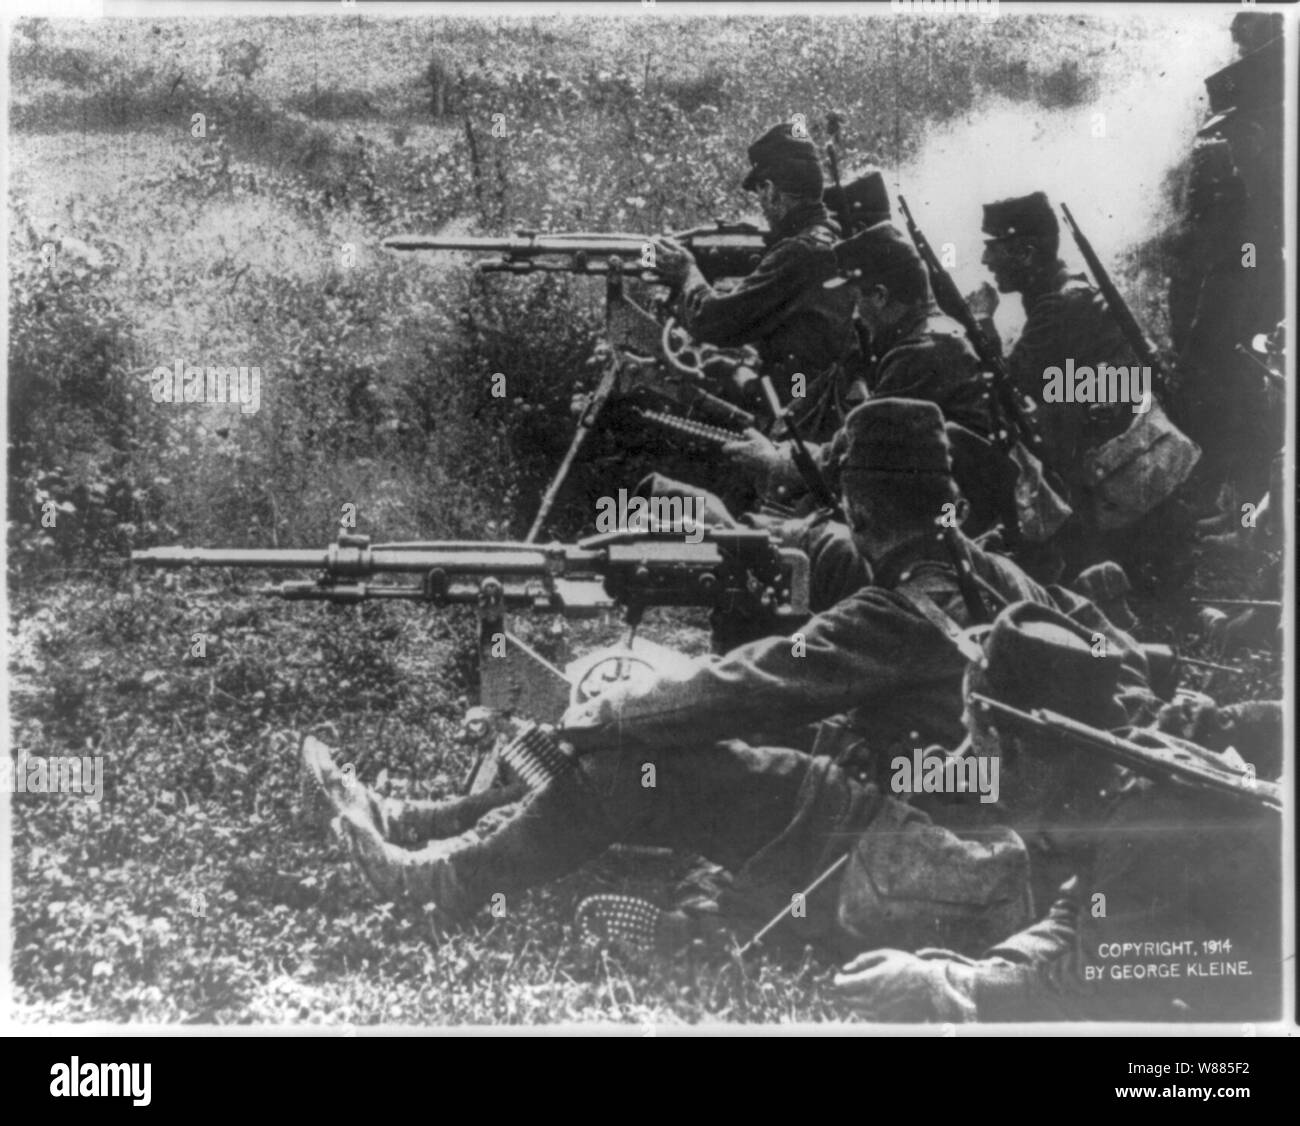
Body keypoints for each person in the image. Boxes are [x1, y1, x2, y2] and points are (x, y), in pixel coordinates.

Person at [302, 400, 1155, 935]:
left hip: (921, 847)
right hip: (975, 824)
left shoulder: (896, 615)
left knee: (640, 755)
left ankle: (447, 878)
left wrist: (612, 715)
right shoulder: (990, 575)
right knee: (653, 732)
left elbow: (753, 684)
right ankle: (432, 820)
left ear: (857, 502)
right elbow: (1113, 661)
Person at [832, 611, 1281, 1022]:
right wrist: (981, 970)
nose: (971, 762)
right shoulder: (1120, 779)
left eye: (975, 739)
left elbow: (1096, 995)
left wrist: (938, 986)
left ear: (1011, 744)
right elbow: (1078, 912)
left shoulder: (1144, 819)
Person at [972, 191, 1192, 581]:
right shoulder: (1063, 294)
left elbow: (1004, 388)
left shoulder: (1060, 305)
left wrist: (982, 322)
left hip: (1112, 479)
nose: (986, 260)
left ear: (1026, 253)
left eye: (995, 248)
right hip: (1123, 462)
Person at [652, 122, 861, 443]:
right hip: (818, 394)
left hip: (802, 407)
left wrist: (688, 274)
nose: (761, 204)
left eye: (761, 192)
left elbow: (714, 322)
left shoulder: (799, 253)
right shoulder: (830, 235)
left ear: (771, 190)